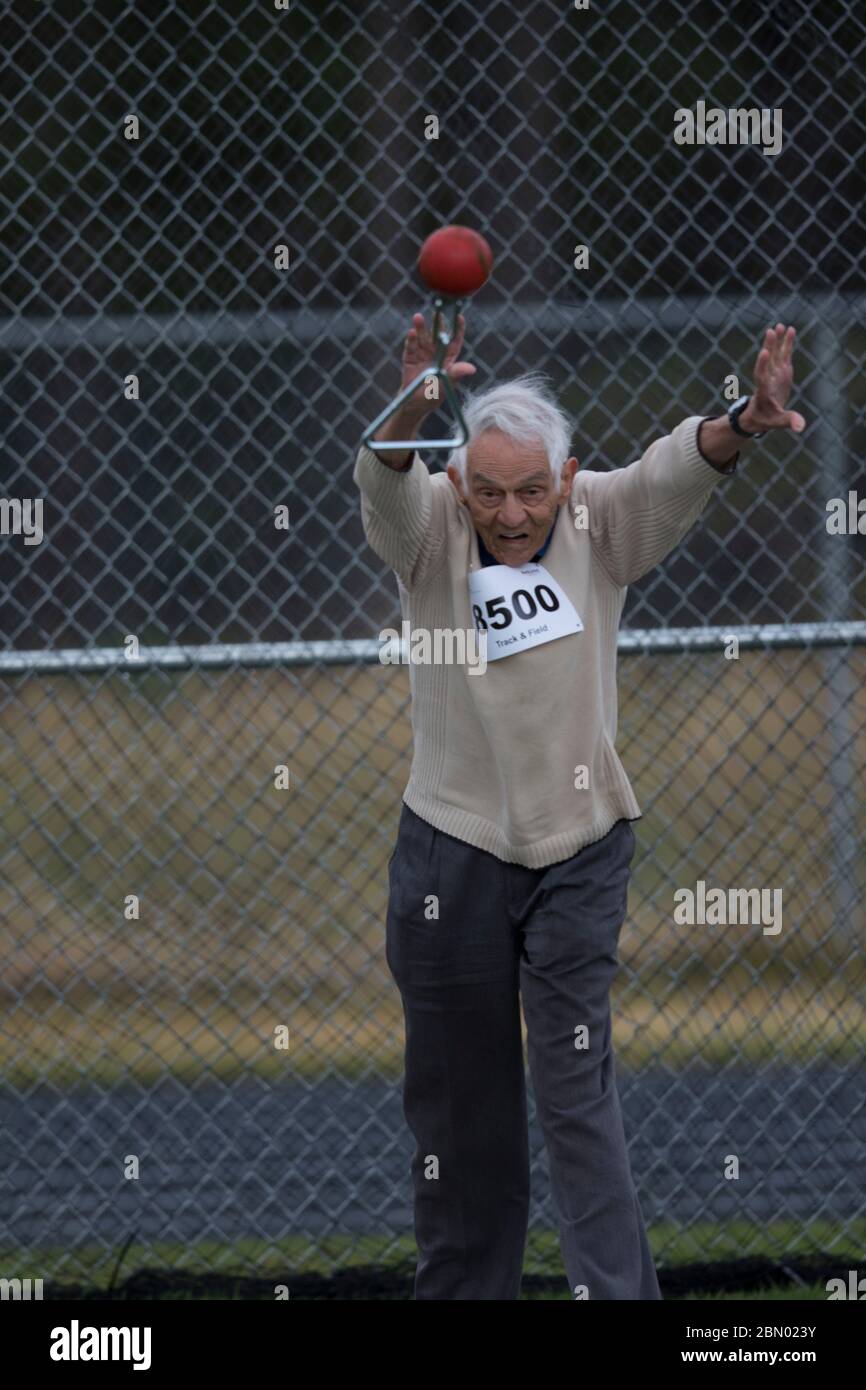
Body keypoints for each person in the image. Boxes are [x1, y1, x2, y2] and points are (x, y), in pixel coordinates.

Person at [353, 315, 804, 1300]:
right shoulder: (429, 528)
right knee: (459, 1116)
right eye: (487, 490)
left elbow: (670, 471)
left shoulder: (599, 519)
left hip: (579, 853)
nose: (508, 515)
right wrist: (411, 404)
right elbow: (382, 482)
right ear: (459, 484)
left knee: (573, 1100)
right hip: (449, 854)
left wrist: (742, 418)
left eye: (527, 490)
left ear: (563, 481)